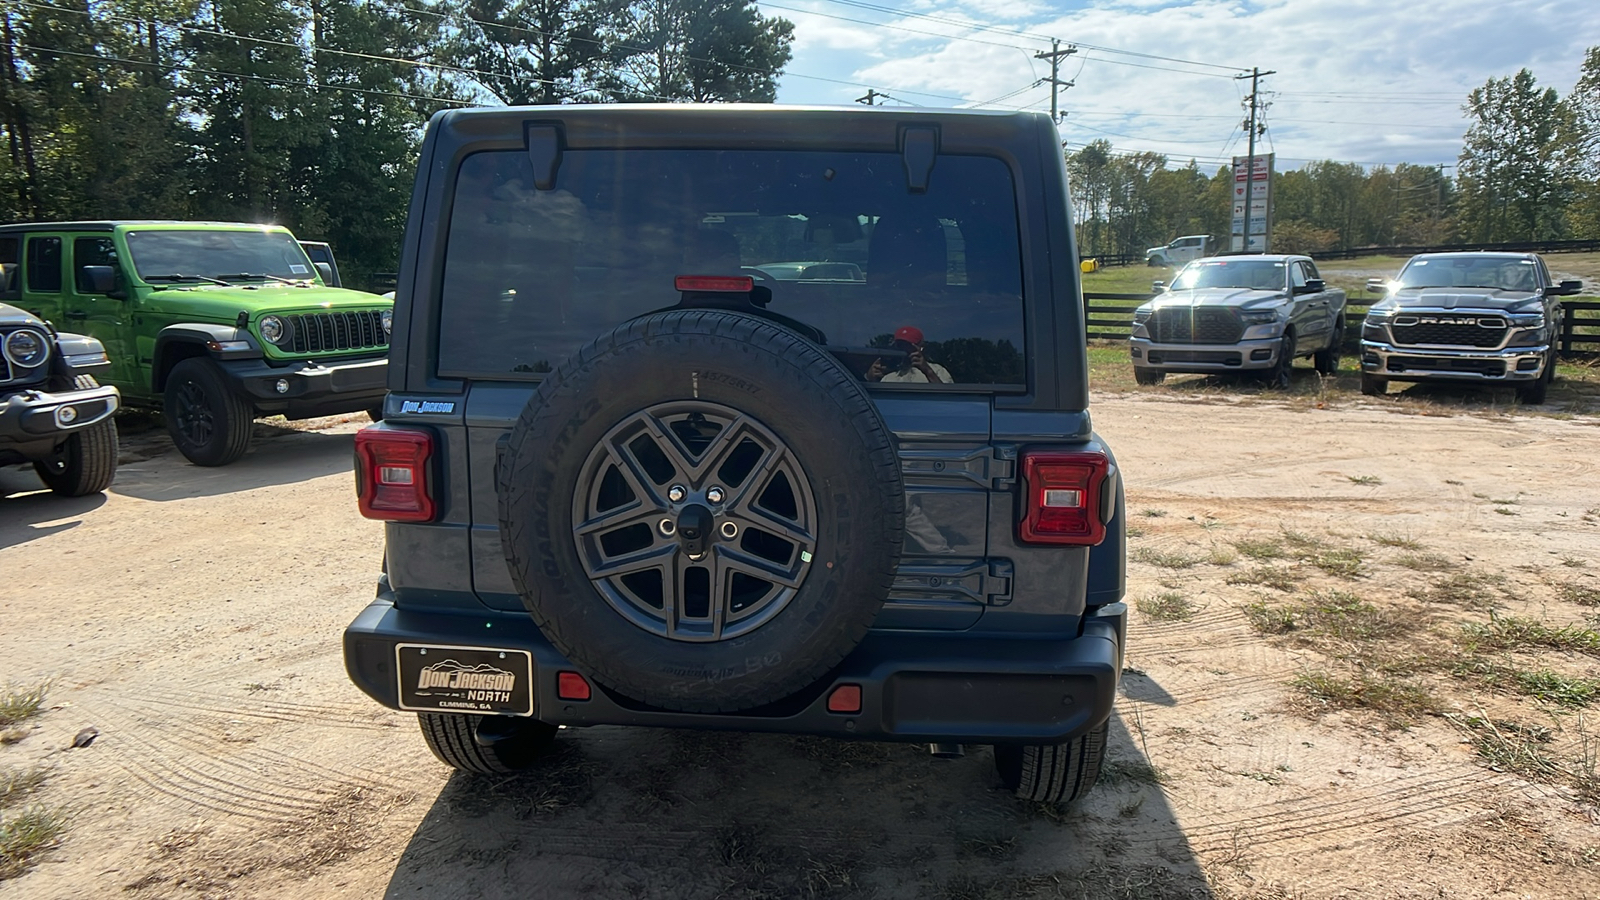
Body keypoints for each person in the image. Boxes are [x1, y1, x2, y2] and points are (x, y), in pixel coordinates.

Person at [866, 325, 951, 384]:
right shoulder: (889, 376)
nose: (904, 349)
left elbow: (948, 400)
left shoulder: (937, 370)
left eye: (908, 345)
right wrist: (872, 379)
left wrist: (927, 371)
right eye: (900, 345)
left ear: (921, 347)